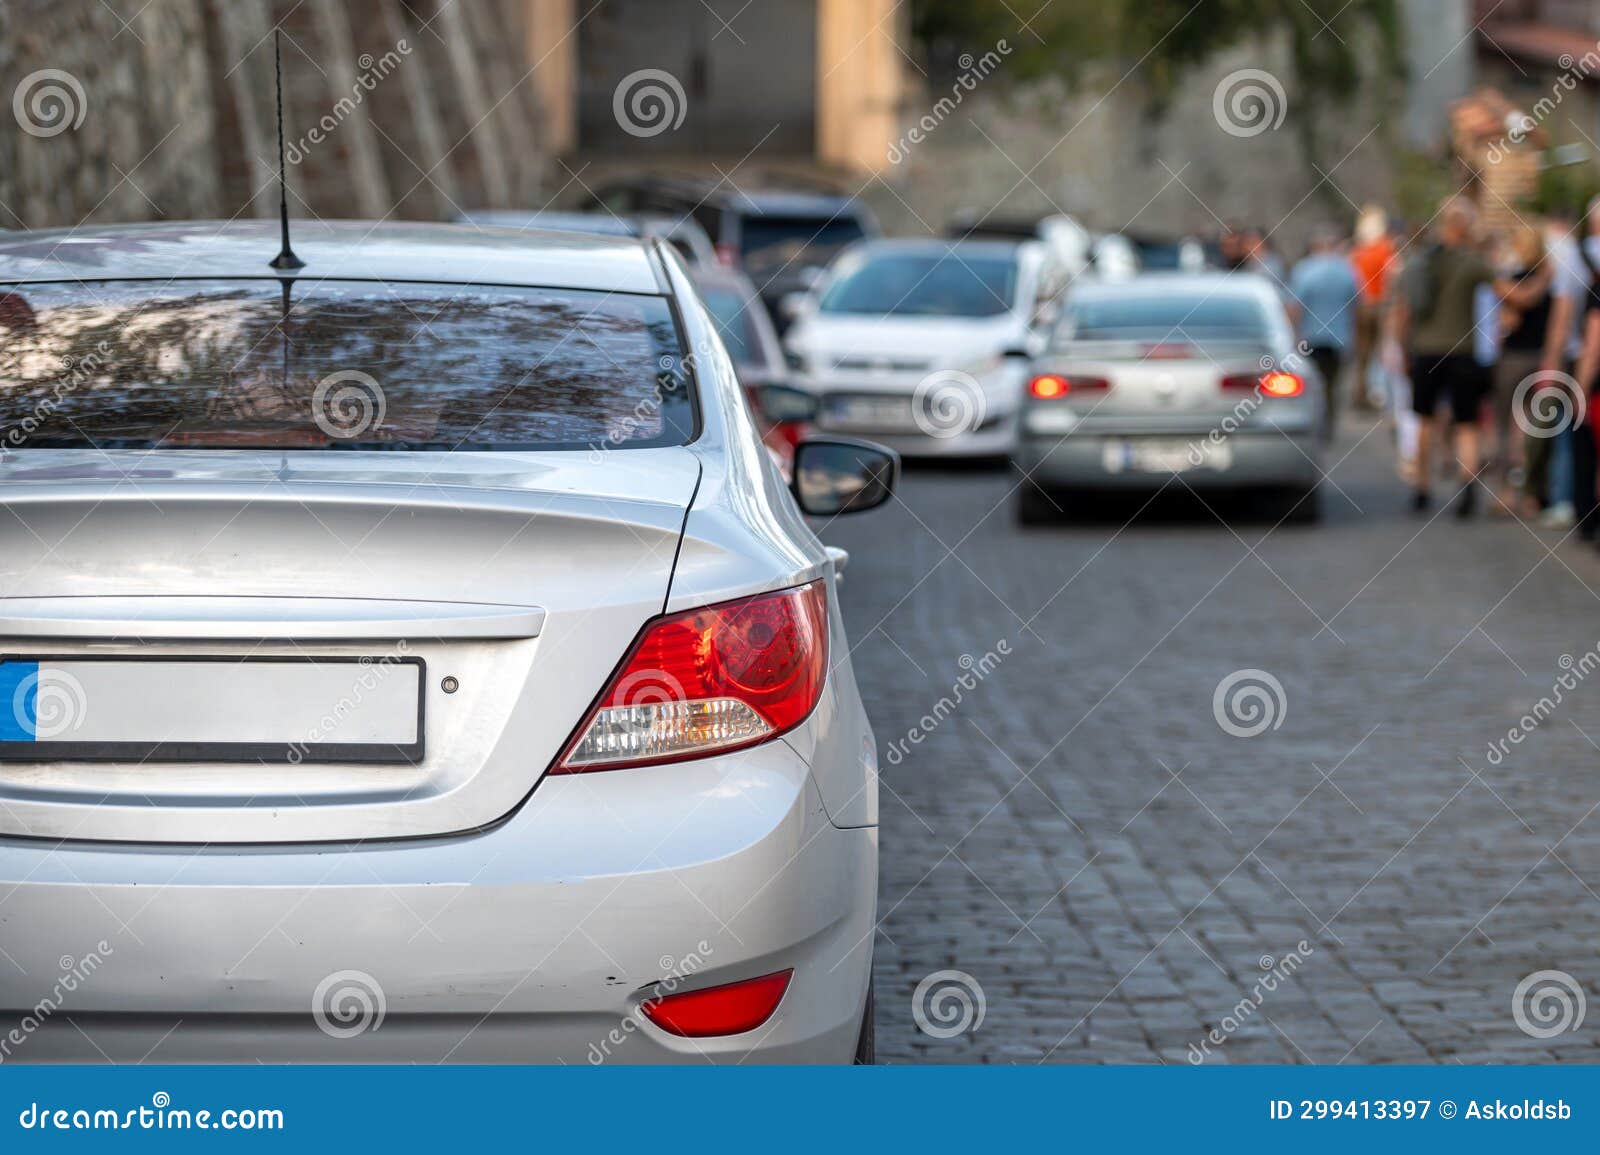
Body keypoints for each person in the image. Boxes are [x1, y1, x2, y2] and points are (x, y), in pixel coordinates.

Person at [1395, 197, 1513, 517]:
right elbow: (1507, 292)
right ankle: (1467, 487)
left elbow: (1403, 311)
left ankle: (1422, 487)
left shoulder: (1420, 261)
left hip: (1425, 350)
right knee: (1467, 424)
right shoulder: (1472, 262)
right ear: (1467, 226)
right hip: (1463, 353)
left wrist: (1402, 348)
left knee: (1424, 420)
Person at [1491, 225, 1553, 517]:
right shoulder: (1551, 282)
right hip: (1541, 358)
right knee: (1534, 430)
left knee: (1505, 428)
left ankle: (1507, 493)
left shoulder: (1510, 280)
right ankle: (1530, 494)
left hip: (1514, 358)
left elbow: (1509, 321)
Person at [1287, 227, 1360, 437]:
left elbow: (1294, 306)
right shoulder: (1347, 270)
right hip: (1339, 338)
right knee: (1332, 383)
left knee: (1311, 382)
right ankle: (1328, 423)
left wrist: (1294, 334)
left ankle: (1314, 421)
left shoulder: (1304, 270)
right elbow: (1358, 305)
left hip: (1311, 337)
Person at [1350, 206, 1396, 410]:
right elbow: (1391, 279)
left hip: (1361, 305)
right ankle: (1376, 394)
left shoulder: (1357, 252)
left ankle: (1361, 394)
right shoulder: (1386, 249)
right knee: (1379, 353)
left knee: (1363, 354)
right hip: (1378, 306)